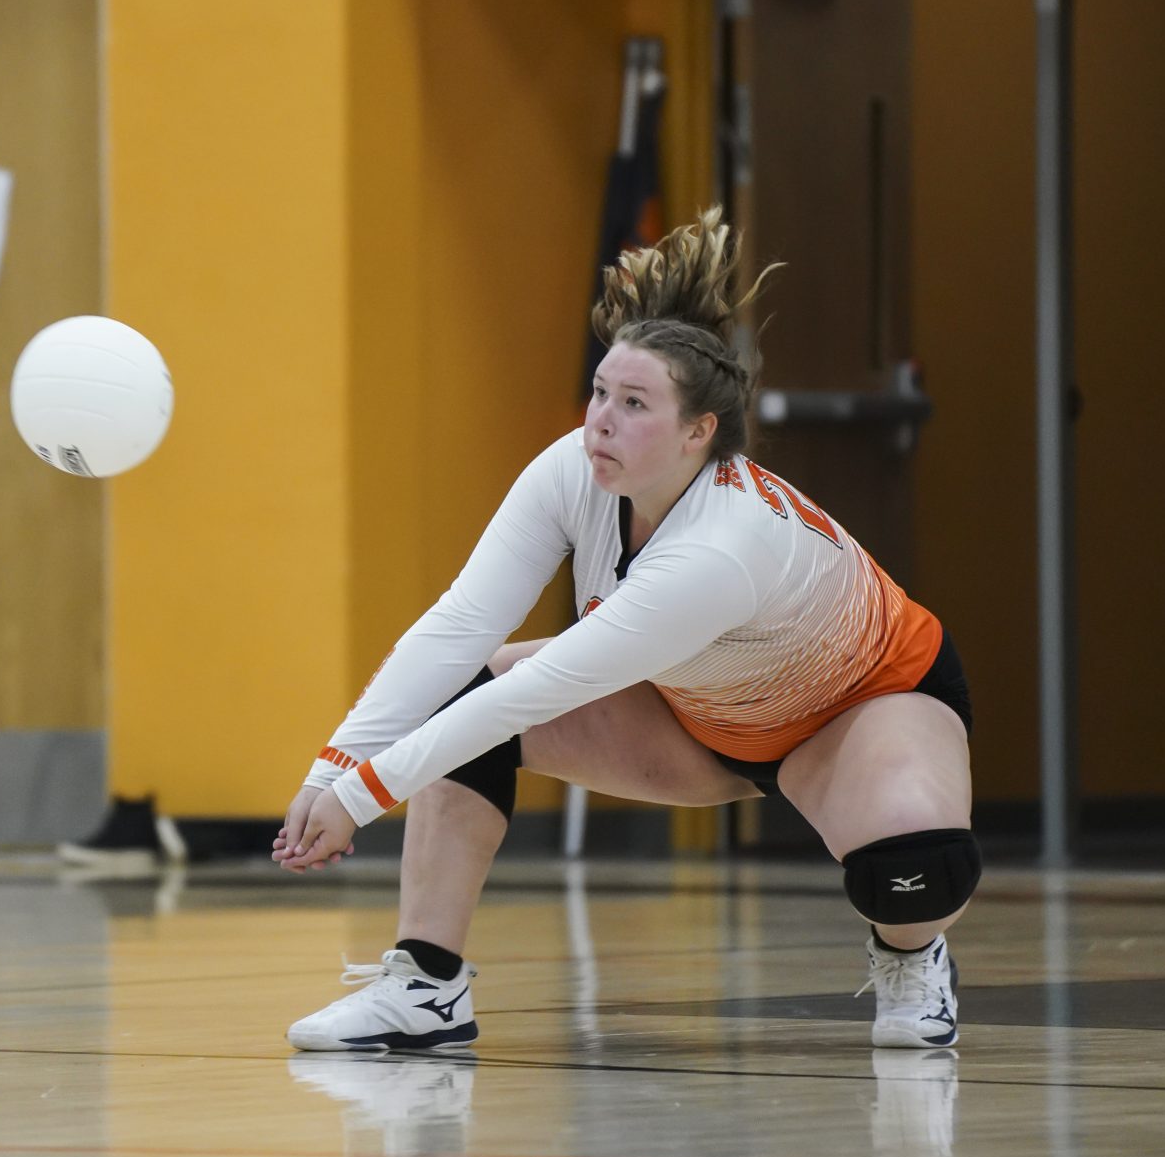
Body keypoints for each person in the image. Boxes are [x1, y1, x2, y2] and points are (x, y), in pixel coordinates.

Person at [273, 208, 977, 1053]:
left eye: (634, 403)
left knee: (914, 870)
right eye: (600, 391)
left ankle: (912, 957)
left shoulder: (722, 546)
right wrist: (334, 763)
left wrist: (356, 799)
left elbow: (543, 688)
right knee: (466, 691)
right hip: (695, 717)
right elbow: (460, 624)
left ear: (697, 433)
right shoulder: (571, 469)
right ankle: (425, 987)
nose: (600, 419)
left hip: (859, 710)